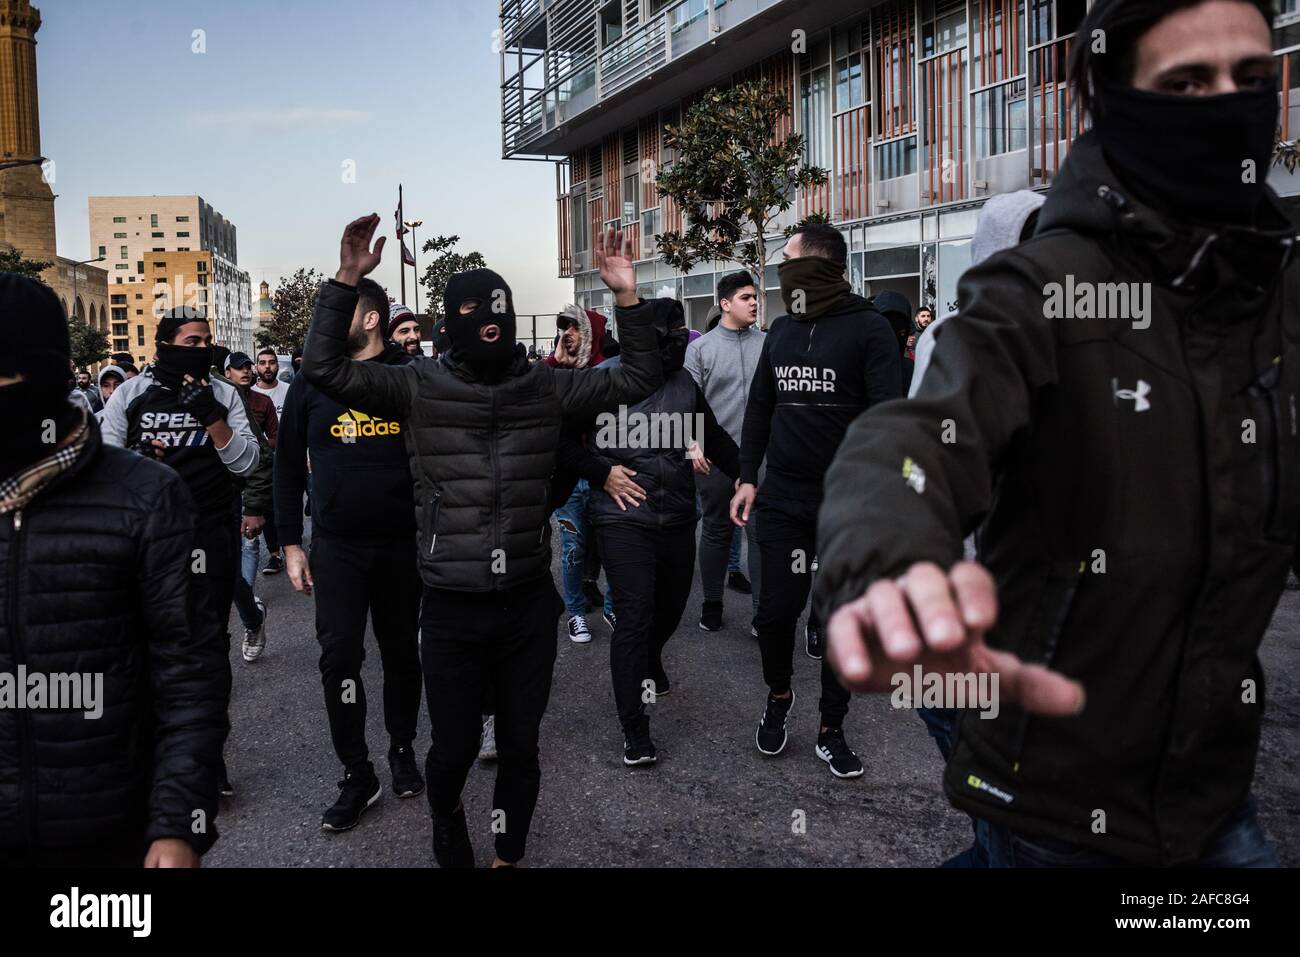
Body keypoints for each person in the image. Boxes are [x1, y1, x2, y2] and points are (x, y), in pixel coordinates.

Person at [815, 0, 1291, 868]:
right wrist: (889, 563)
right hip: (1058, 798)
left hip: (1213, 792)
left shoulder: (1275, 300)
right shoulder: (1040, 288)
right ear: (1113, 100)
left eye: (1251, 79)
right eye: (1185, 82)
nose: (1225, 104)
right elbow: (914, 438)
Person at [301, 214, 663, 868]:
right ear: (449, 321)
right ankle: (446, 824)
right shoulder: (417, 385)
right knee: (455, 747)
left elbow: (637, 377)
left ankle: (507, 854)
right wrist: (347, 279)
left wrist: (626, 296)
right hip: (450, 605)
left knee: (520, 745)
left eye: (497, 308)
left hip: (527, 603)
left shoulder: (546, 387)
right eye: (470, 310)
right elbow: (322, 367)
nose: (487, 321)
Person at [0, 274, 228, 867]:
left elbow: (186, 670)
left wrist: (178, 821)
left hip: (106, 827)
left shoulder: (143, 498)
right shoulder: (130, 400)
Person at [730, 223, 901, 779]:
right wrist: (747, 477)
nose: (781, 265)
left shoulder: (869, 330)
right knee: (774, 614)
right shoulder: (780, 330)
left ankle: (832, 726)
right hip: (781, 499)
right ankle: (779, 695)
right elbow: (759, 410)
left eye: (789, 256)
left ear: (818, 266)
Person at [273, 277, 426, 831]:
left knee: (402, 655)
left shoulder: (407, 379)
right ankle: (357, 774)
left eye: (340, 311)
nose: (325, 323)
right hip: (337, 549)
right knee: (340, 661)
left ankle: (403, 748)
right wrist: (291, 542)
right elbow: (286, 466)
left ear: (369, 319)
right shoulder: (311, 383)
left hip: (402, 547)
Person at [573, 298, 740, 765]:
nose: (674, 342)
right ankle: (634, 729)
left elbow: (713, 437)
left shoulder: (685, 383)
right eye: (666, 334)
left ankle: (650, 659)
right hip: (623, 517)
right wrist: (601, 471)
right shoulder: (604, 378)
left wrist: (749, 477)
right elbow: (563, 441)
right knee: (634, 617)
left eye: (678, 333)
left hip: (678, 516)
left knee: (668, 611)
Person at [101, 307, 259, 796]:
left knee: (208, 647)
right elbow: (102, 465)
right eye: (190, 341)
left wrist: (213, 421)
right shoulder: (129, 394)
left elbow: (248, 463)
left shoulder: (224, 392)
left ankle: (208, 758)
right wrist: (135, 461)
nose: (200, 350)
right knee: (152, 646)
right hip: (148, 539)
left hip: (209, 531)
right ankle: (159, 753)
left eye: (206, 342)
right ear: (165, 344)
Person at [685, 271, 764, 633]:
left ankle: (762, 614)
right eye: (746, 297)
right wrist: (692, 445)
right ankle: (712, 604)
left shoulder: (766, 344)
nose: (753, 302)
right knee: (716, 531)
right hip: (715, 460)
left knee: (760, 534)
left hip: (761, 459)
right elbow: (685, 403)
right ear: (726, 303)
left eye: (754, 297)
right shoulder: (700, 349)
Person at [547, 304, 617, 643]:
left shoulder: (607, 372)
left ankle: (613, 607)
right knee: (573, 547)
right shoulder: (558, 371)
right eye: (563, 328)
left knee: (612, 544)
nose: (567, 334)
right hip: (569, 478)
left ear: (592, 333)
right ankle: (575, 612)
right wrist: (554, 364)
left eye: (574, 327)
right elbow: (533, 397)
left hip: (606, 475)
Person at [222, 350, 277, 663]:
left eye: (248, 367)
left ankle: (251, 616)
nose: (246, 372)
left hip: (232, 495)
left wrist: (254, 506)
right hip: (179, 511)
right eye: (238, 368)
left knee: (243, 548)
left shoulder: (241, 401)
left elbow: (265, 451)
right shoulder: (148, 397)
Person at [251, 348, 290, 575]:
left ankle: (298, 547)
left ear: (277, 366)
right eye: (262, 362)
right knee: (269, 508)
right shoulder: (250, 394)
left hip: (291, 458)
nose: (267, 367)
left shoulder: (288, 391)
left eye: (271, 362)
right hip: (263, 462)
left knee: (293, 504)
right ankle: (275, 555)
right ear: (257, 366)